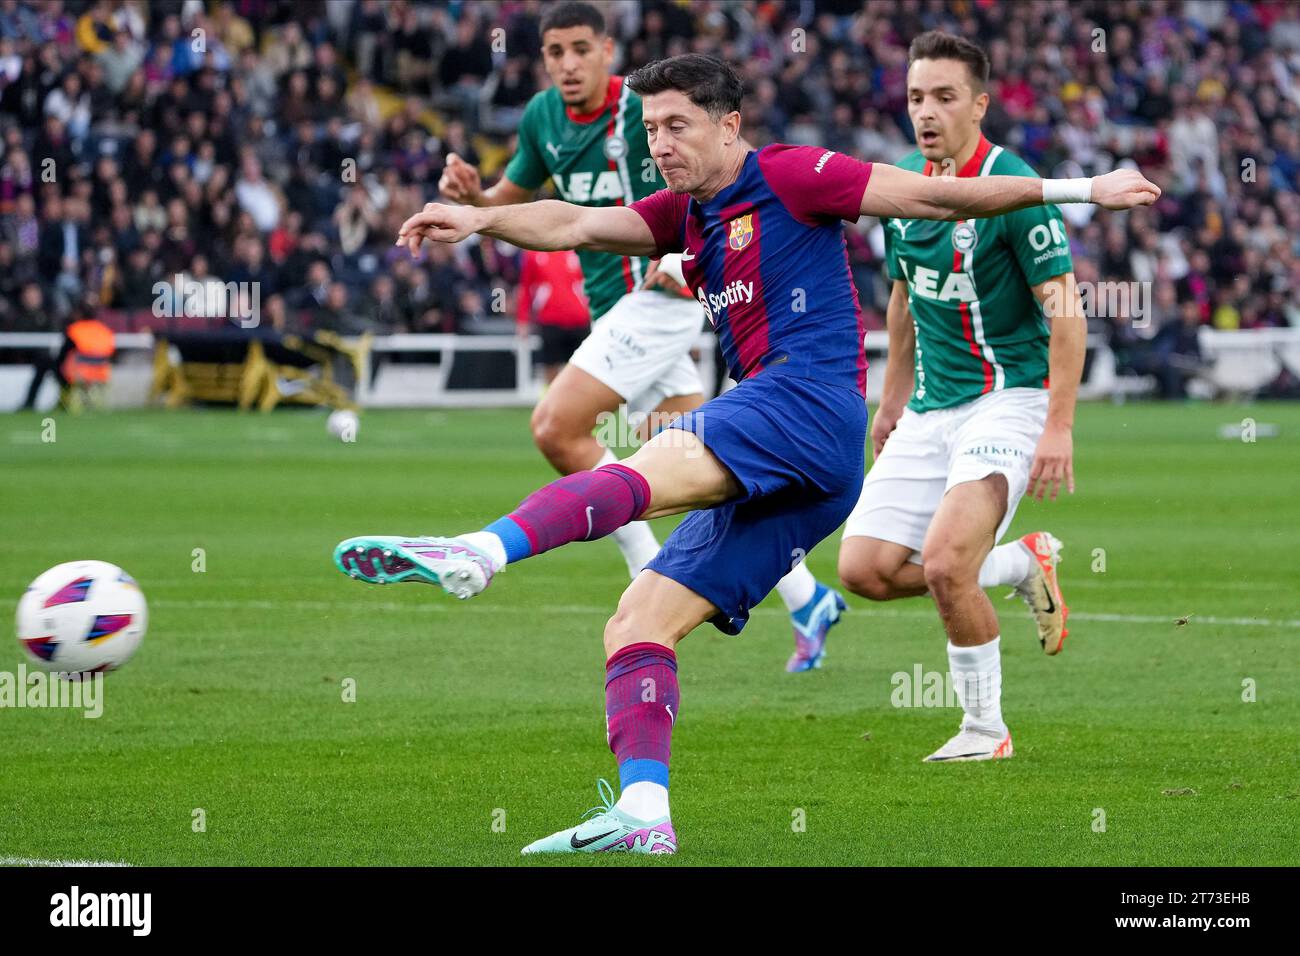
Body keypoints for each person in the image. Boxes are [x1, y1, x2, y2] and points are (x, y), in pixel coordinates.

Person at [333, 53, 1159, 855]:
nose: (660, 144)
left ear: (730, 127)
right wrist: (481, 219)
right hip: (809, 473)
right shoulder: (680, 214)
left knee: (650, 461)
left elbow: (936, 199)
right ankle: (644, 810)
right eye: (651, 127)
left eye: (678, 126)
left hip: (801, 404)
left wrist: (1083, 189)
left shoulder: (796, 175)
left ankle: (476, 552)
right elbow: (575, 221)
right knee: (636, 623)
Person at [436, 4, 848, 669]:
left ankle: (641, 566)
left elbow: (709, 178)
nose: (567, 65)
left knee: (556, 426)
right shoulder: (543, 117)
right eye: (554, 53)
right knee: (722, 474)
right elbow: (522, 199)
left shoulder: (643, 108)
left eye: (579, 49)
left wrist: (681, 253)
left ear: (606, 51)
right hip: (612, 306)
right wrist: (476, 201)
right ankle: (808, 600)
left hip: (658, 296)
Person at [824, 31, 1089, 763]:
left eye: (944, 96)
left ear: (980, 102)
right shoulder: (903, 188)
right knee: (864, 570)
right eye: (916, 98)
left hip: (1009, 399)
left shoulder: (1016, 189)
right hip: (932, 406)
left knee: (943, 563)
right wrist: (891, 400)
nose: (927, 111)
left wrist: (1059, 425)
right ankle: (1020, 563)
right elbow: (904, 297)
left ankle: (984, 729)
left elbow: (1066, 310)